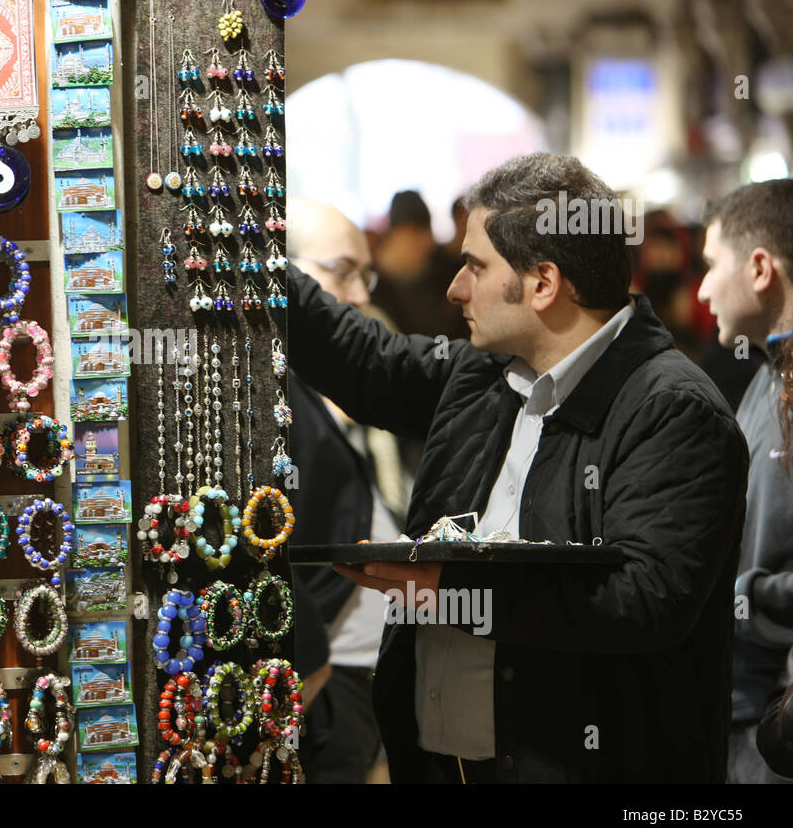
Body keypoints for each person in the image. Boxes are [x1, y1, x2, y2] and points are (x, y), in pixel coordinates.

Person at [288, 152, 748, 783]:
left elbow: (643, 602)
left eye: (475, 266)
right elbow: (366, 360)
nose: (455, 287)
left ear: (543, 284)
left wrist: (446, 591)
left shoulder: (672, 408)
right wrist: (250, 244)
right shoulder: (488, 373)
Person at [286, 197, 404, 784]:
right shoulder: (273, 395)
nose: (359, 294)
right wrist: (312, 664)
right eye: (341, 270)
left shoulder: (327, 387)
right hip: (326, 685)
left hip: (360, 681)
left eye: (366, 274)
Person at [694, 179, 793, 783]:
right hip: (742, 712)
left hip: (775, 723)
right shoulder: (767, 373)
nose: (701, 287)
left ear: (759, 268)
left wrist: (732, 595)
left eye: (711, 266)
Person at [370, 190, 469, 341]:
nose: (424, 242)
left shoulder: (441, 274)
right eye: (413, 233)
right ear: (393, 235)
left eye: (426, 232)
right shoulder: (370, 283)